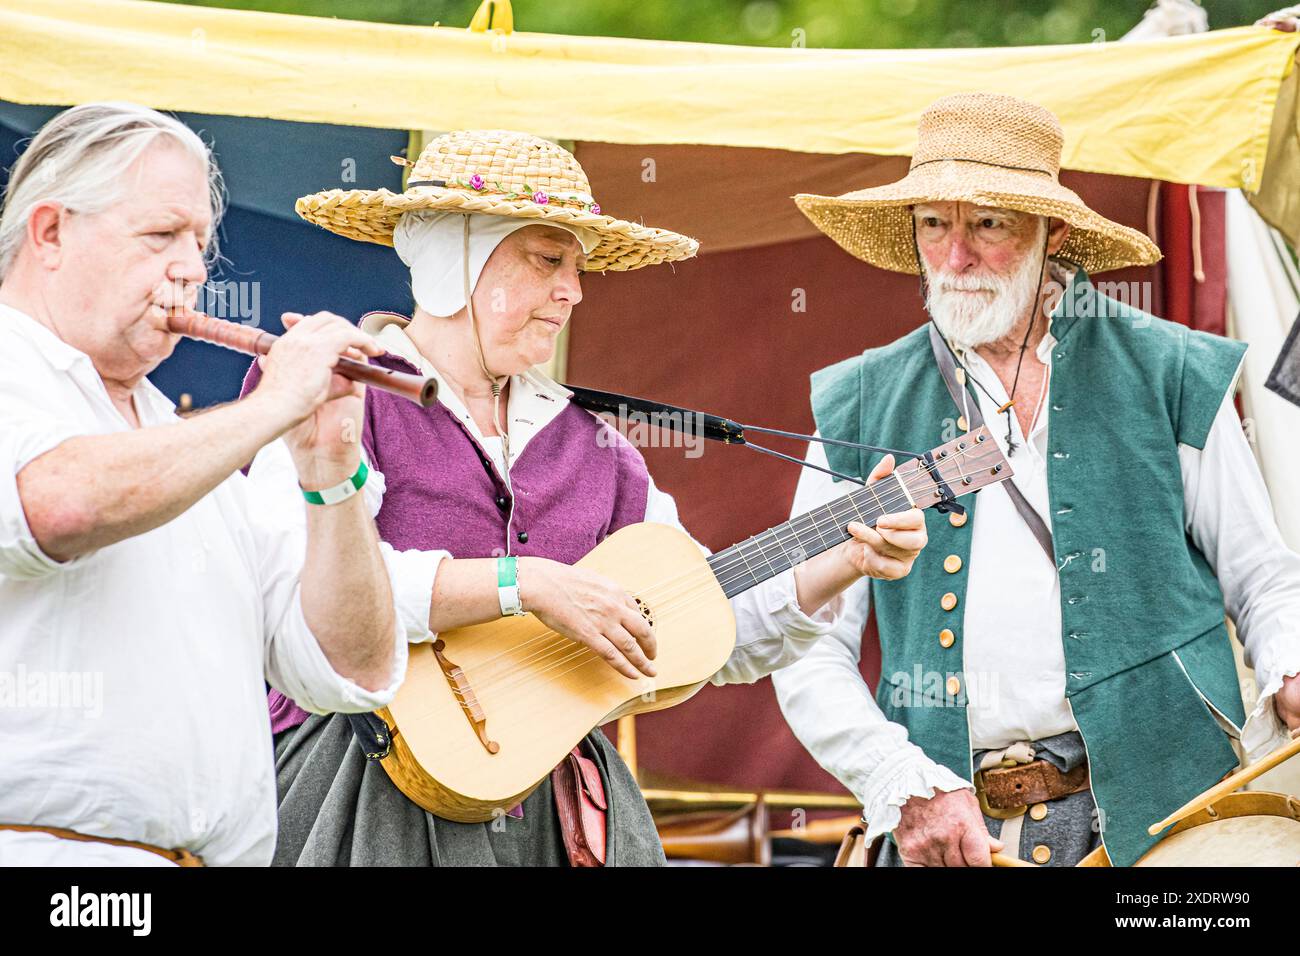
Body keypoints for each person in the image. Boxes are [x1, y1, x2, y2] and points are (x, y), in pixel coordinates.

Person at [240, 128, 930, 865]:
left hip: (554, 814)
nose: (573, 288)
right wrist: (523, 585)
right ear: (454, 254)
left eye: (578, 266)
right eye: (548, 260)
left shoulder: (593, 445)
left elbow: (693, 617)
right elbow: (310, 606)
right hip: (369, 788)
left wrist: (847, 559)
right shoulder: (336, 397)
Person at [772, 92, 1300, 867]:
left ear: (1050, 231)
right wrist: (902, 782)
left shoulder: (1168, 370)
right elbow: (804, 638)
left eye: (987, 223)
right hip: (955, 834)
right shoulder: (863, 400)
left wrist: (1291, 667)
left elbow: (1262, 576)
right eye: (933, 224)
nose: (955, 257)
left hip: (1173, 820)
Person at [0, 102, 439, 865]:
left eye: (201, 242)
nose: (194, 269)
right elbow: (57, 502)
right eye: (161, 235)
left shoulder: (176, 436)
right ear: (50, 233)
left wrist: (330, 475)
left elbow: (351, 667)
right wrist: (272, 405)